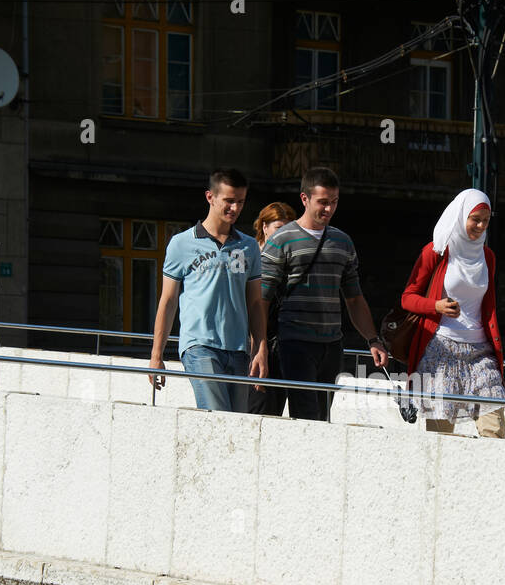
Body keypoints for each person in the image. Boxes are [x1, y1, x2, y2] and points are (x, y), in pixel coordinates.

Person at [259, 167, 386, 421]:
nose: (328, 209)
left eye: (334, 202)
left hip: (331, 344)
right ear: (305, 199)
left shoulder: (343, 243)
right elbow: (261, 300)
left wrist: (373, 339)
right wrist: (259, 347)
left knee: (321, 417)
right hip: (294, 341)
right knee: (306, 415)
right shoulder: (281, 240)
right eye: (323, 202)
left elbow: (354, 298)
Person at [150, 168, 266, 413]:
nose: (235, 208)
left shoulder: (249, 246)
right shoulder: (182, 243)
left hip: (238, 349)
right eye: (229, 201)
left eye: (241, 202)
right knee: (218, 418)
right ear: (210, 197)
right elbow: (168, 301)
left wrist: (260, 348)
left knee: (237, 425)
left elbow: (255, 303)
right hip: (199, 346)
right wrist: (156, 355)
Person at [400, 188, 505, 438]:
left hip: (480, 352)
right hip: (441, 349)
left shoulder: (488, 257)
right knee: (441, 437)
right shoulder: (437, 251)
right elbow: (407, 298)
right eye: (475, 219)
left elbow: (488, 305)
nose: (481, 225)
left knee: (494, 428)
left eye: (486, 220)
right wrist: (435, 306)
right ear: (461, 217)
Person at [247, 201, 297, 417]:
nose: (283, 235)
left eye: (288, 229)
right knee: (256, 409)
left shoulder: (290, 260)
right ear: (264, 227)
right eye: (279, 228)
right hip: (253, 344)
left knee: (275, 411)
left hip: (281, 345)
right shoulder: (250, 256)